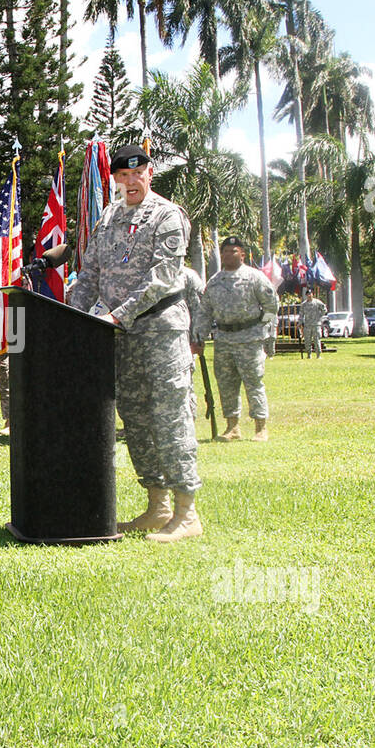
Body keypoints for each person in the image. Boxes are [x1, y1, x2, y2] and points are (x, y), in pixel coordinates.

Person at [71, 143, 203, 543]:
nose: (130, 182)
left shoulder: (167, 215)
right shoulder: (109, 217)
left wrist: (118, 314)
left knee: (170, 415)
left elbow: (163, 276)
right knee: (136, 418)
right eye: (122, 177)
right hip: (119, 335)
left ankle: (187, 513)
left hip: (160, 329)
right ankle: (157, 506)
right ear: (115, 179)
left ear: (150, 172)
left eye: (137, 174)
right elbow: (89, 272)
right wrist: (69, 316)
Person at [196, 236, 279, 442]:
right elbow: (205, 311)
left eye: (232, 251)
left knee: (253, 383)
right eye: (224, 251)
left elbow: (271, 306)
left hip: (249, 339)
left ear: (242, 254)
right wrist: (199, 335)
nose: (227, 255)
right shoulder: (214, 282)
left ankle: (261, 427)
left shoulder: (254, 277)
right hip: (224, 339)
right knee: (226, 385)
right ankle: (232, 427)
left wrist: (264, 331)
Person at [298, 287, 328, 358]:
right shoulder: (304, 304)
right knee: (307, 341)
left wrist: (319, 316)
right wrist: (300, 322)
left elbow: (324, 309)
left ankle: (318, 355)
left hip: (316, 325)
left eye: (310, 294)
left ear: (312, 294)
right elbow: (301, 315)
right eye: (308, 294)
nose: (309, 295)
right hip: (307, 325)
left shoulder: (317, 302)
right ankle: (309, 354)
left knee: (317, 340)